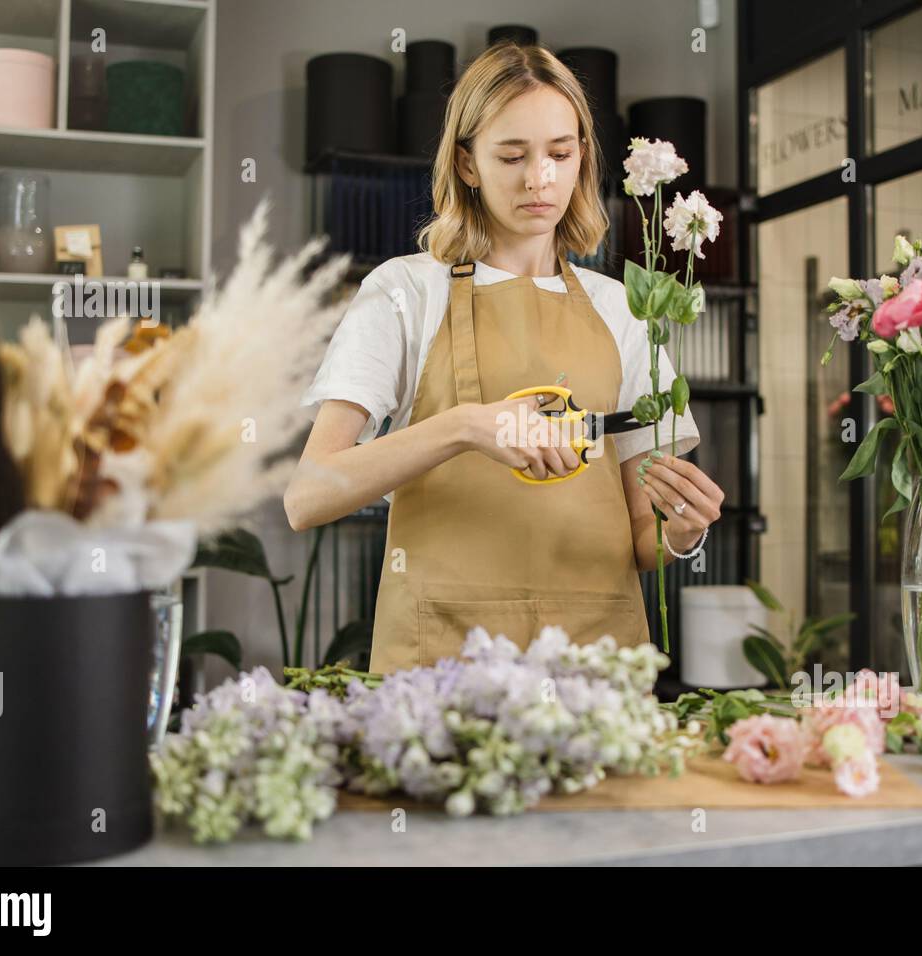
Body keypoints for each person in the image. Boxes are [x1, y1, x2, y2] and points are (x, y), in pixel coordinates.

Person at [284, 41, 724, 674]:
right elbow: (308, 496)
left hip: (592, 663)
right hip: (444, 663)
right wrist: (464, 426)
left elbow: (642, 535)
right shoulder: (405, 291)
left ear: (581, 160)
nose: (538, 179)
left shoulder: (624, 308)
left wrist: (682, 532)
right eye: (511, 156)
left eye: (560, 154)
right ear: (466, 164)